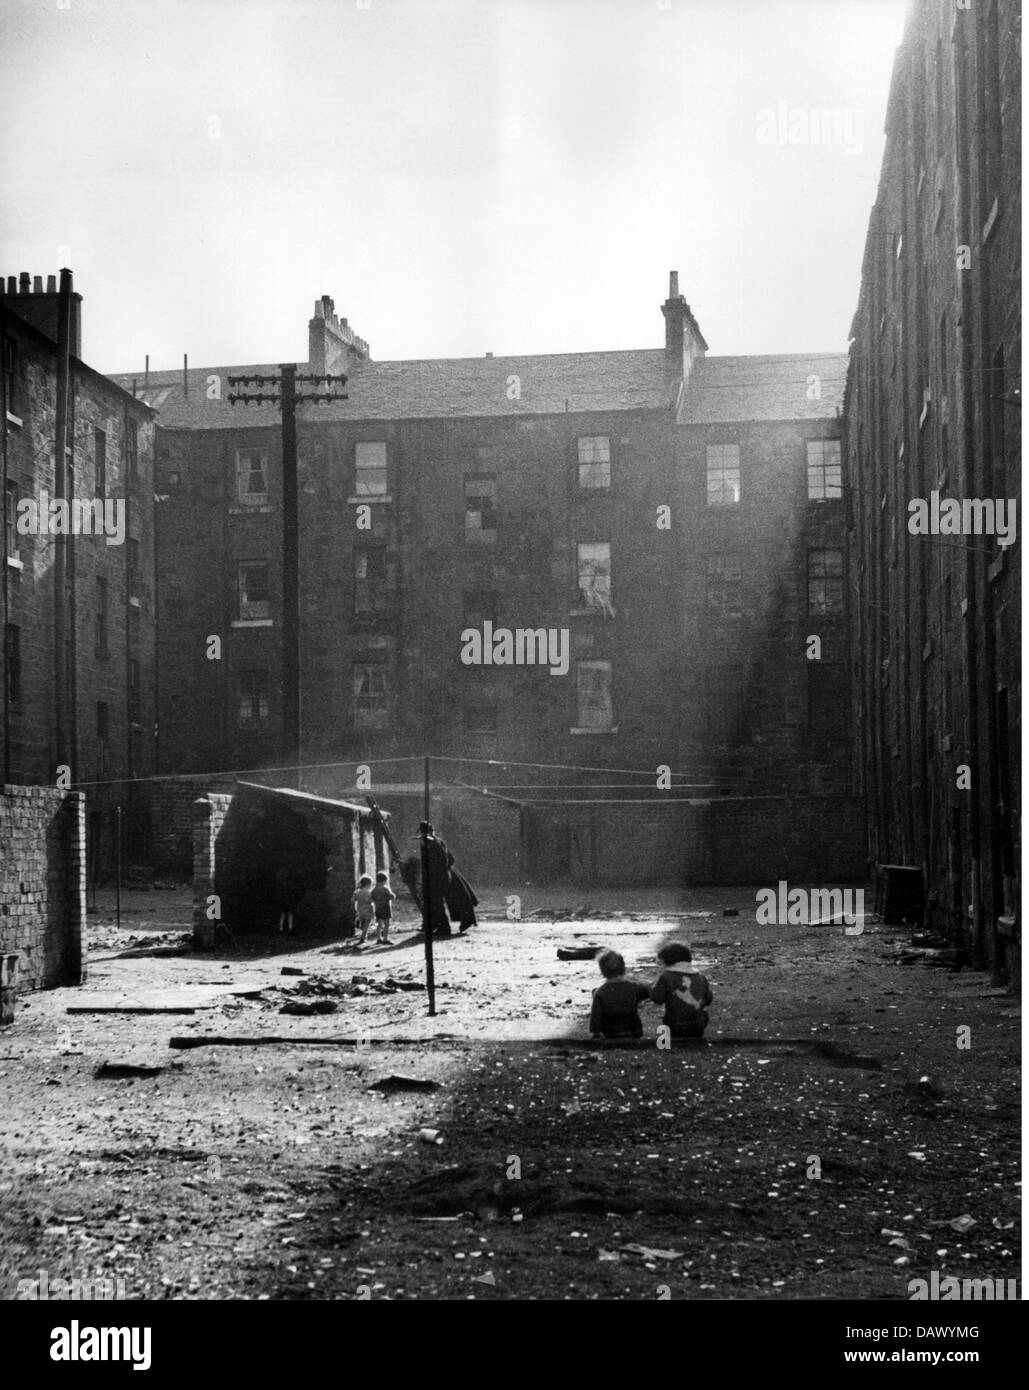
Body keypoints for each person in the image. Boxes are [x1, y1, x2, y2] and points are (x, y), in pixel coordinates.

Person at [650, 942, 713, 1039]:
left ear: (667, 962)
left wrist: (648, 988)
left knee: (663, 1032)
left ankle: (664, 1045)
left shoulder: (666, 977)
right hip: (699, 1022)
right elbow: (708, 999)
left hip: (675, 1023)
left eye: (660, 963)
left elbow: (658, 998)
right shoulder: (701, 977)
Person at [589, 949, 651, 1040]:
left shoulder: (600, 992)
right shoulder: (634, 987)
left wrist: (596, 1032)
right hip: (633, 1032)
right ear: (623, 968)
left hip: (610, 1033)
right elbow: (650, 991)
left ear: (602, 971)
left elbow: (596, 1016)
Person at [371, 869, 396, 945]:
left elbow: (372, 899)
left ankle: (379, 938)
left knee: (379, 924)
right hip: (386, 908)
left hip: (378, 909)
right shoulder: (385, 889)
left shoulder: (374, 890)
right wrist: (392, 896)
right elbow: (392, 896)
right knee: (387, 924)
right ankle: (385, 939)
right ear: (384, 881)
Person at [352, 873, 375, 945]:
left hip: (360, 910)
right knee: (367, 924)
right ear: (368, 885)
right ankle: (363, 937)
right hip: (368, 909)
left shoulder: (357, 892)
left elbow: (352, 900)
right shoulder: (369, 892)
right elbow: (372, 900)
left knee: (363, 923)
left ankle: (363, 933)